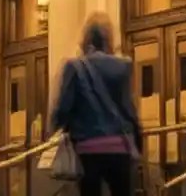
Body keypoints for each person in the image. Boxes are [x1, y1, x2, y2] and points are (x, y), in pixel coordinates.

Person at [49, 13, 141, 196]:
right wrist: (138, 142)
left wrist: (56, 127)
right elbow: (129, 109)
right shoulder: (123, 66)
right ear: (109, 39)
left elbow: (63, 109)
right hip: (119, 147)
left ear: (86, 39)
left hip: (88, 149)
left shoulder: (73, 67)